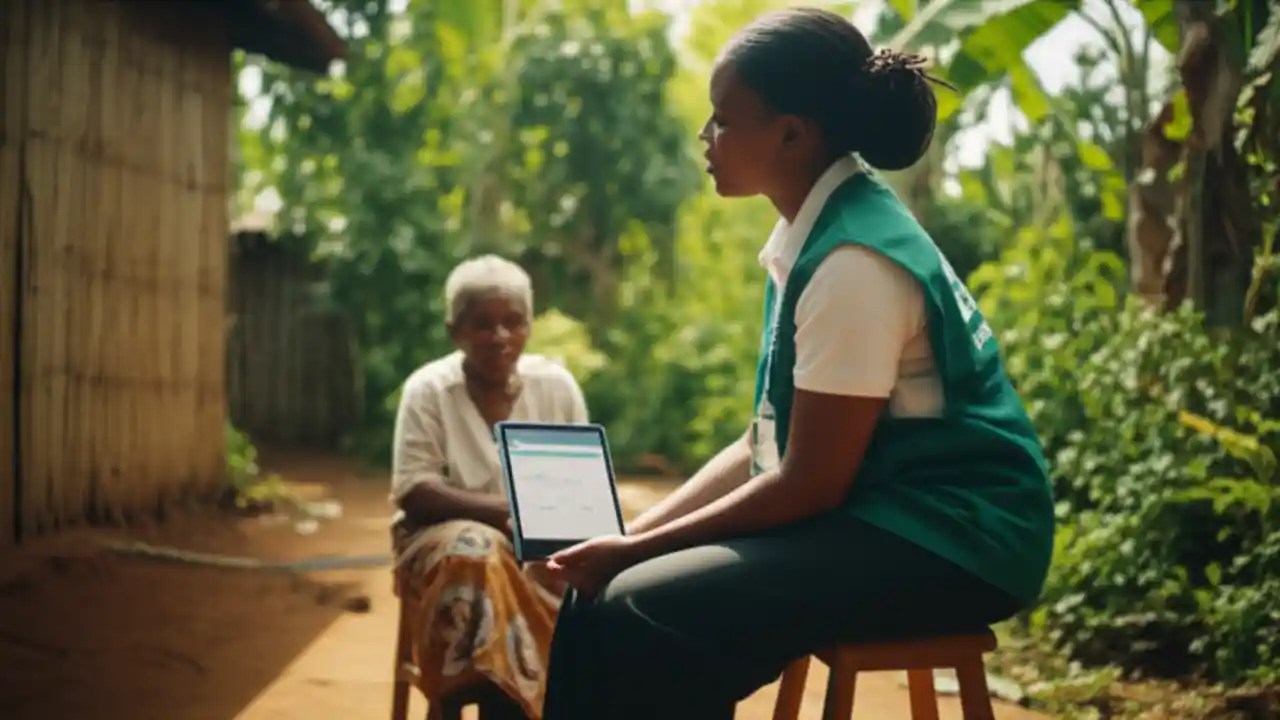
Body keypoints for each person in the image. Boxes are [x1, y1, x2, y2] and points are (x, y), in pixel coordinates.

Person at [539, 8, 1056, 720]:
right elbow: (765, 446)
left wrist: (635, 555)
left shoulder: (854, 262)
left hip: (956, 540)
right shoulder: (809, 236)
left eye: (723, 119)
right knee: (597, 591)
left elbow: (809, 483)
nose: (706, 136)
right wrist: (627, 541)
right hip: (882, 516)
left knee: (643, 608)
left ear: (791, 132)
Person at [391, 254, 588, 720]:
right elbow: (414, 490)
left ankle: (509, 699)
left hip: (540, 547)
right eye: (483, 324)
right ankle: (487, 695)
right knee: (476, 550)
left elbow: (581, 485)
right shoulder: (428, 391)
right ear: (454, 331)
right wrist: (506, 514)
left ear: (529, 328)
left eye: (513, 322)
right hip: (441, 549)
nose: (500, 337)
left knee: (602, 574)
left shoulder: (555, 386)